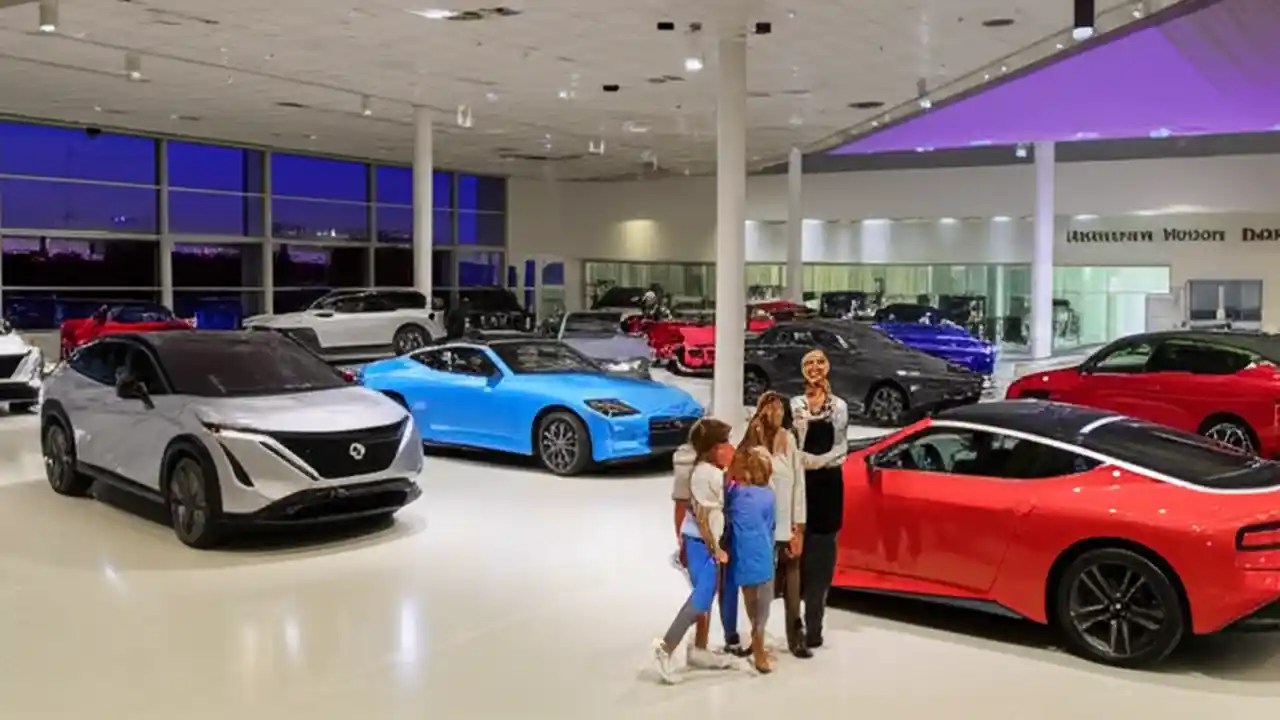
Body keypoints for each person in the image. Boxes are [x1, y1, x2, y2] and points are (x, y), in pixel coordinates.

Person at [652, 418, 736, 684]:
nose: (730, 448)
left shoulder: (708, 470)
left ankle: (699, 649)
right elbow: (703, 516)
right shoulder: (706, 475)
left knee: (706, 596)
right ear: (712, 448)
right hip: (701, 543)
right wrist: (716, 549)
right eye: (724, 443)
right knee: (701, 597)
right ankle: (665, 647)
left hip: (701, 541)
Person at [743, 391, 810, 658]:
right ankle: (757, 638)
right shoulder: (751, 444)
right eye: (771, 407)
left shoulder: (789, 440)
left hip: (785, 525)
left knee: (793, 584)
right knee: (760, 587)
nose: (777, 413)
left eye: (780, 408)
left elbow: (799, 484)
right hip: (760, 528)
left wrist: (799, 527)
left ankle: (797, 637)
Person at [791, 349, 849, 650]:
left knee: (822, 562)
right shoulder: (795, 405)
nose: (814, 368)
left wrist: (818, 460)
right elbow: (789, 444)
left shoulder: (839, 406)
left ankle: (815, 627)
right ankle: (794, 628)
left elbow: (842, 447)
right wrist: (801, 460)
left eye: (820, 362)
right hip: (799, 488)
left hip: (827, 488)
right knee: (795, 563)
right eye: (808, 363)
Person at [724, 447, 777, 674]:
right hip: (763, 552)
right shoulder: (768, 496)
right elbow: (771, 524)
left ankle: (756, 639)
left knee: (749, 598)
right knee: (764, 603)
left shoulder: (733, 495)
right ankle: (758, 642)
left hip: (741, 553)